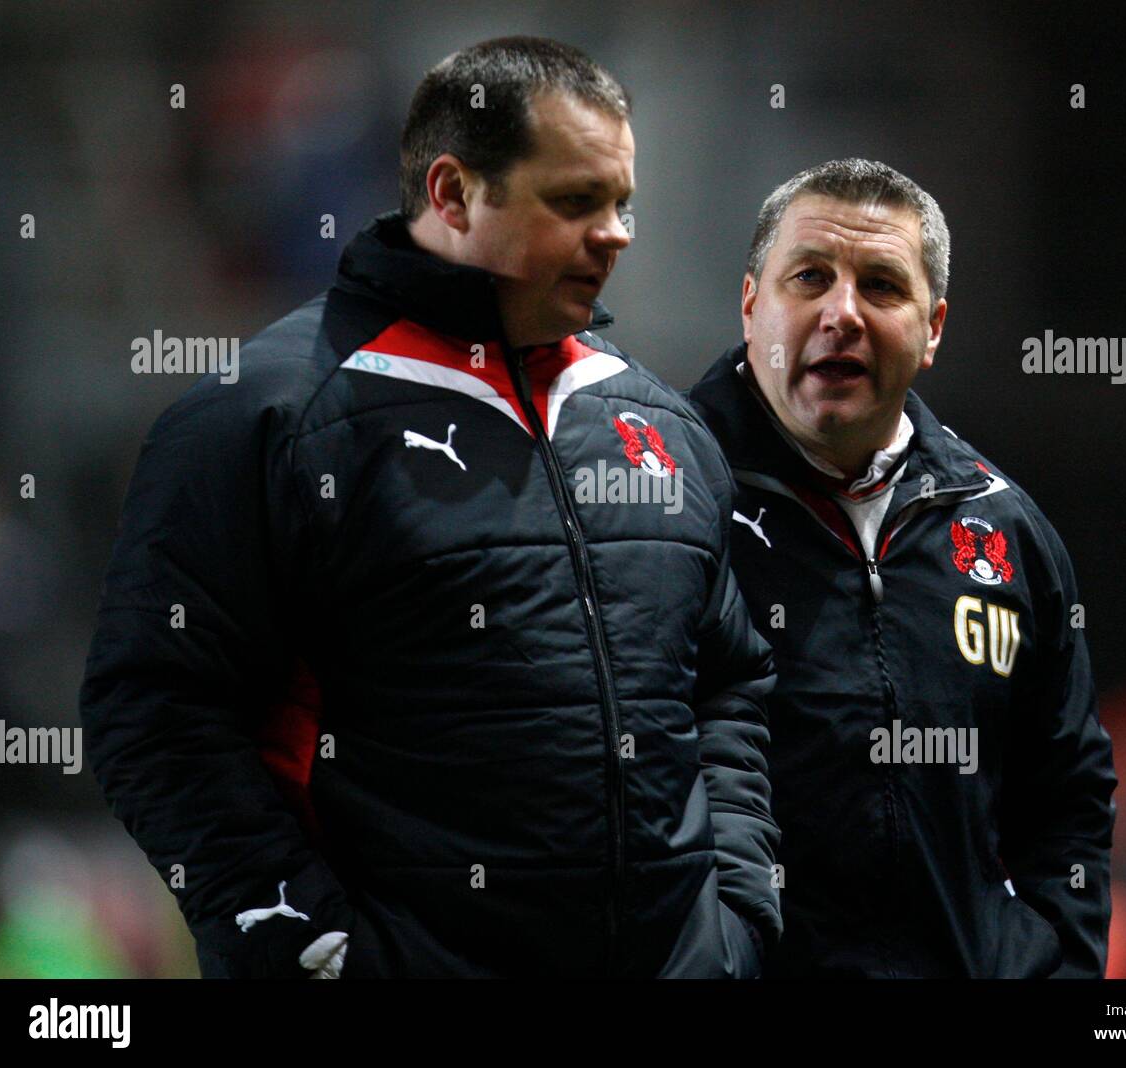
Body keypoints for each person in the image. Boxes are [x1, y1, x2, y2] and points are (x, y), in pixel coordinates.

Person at [79, 37, 779, 979]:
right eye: (575, 201)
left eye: (623, 202)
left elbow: (728, 682)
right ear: (451, 195)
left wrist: (732, 913)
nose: (616, 233)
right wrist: (316, 948)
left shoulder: (659, 425)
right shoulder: (269, 418)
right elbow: (153, 711)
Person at [685, 159, 1116, 977]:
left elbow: (1069, 787)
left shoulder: (1005, 529)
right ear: (751, 304)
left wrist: (1051, 960)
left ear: (934, 328)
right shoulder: (663, 502)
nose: (841, 313)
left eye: (881, 286)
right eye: (809, 277)